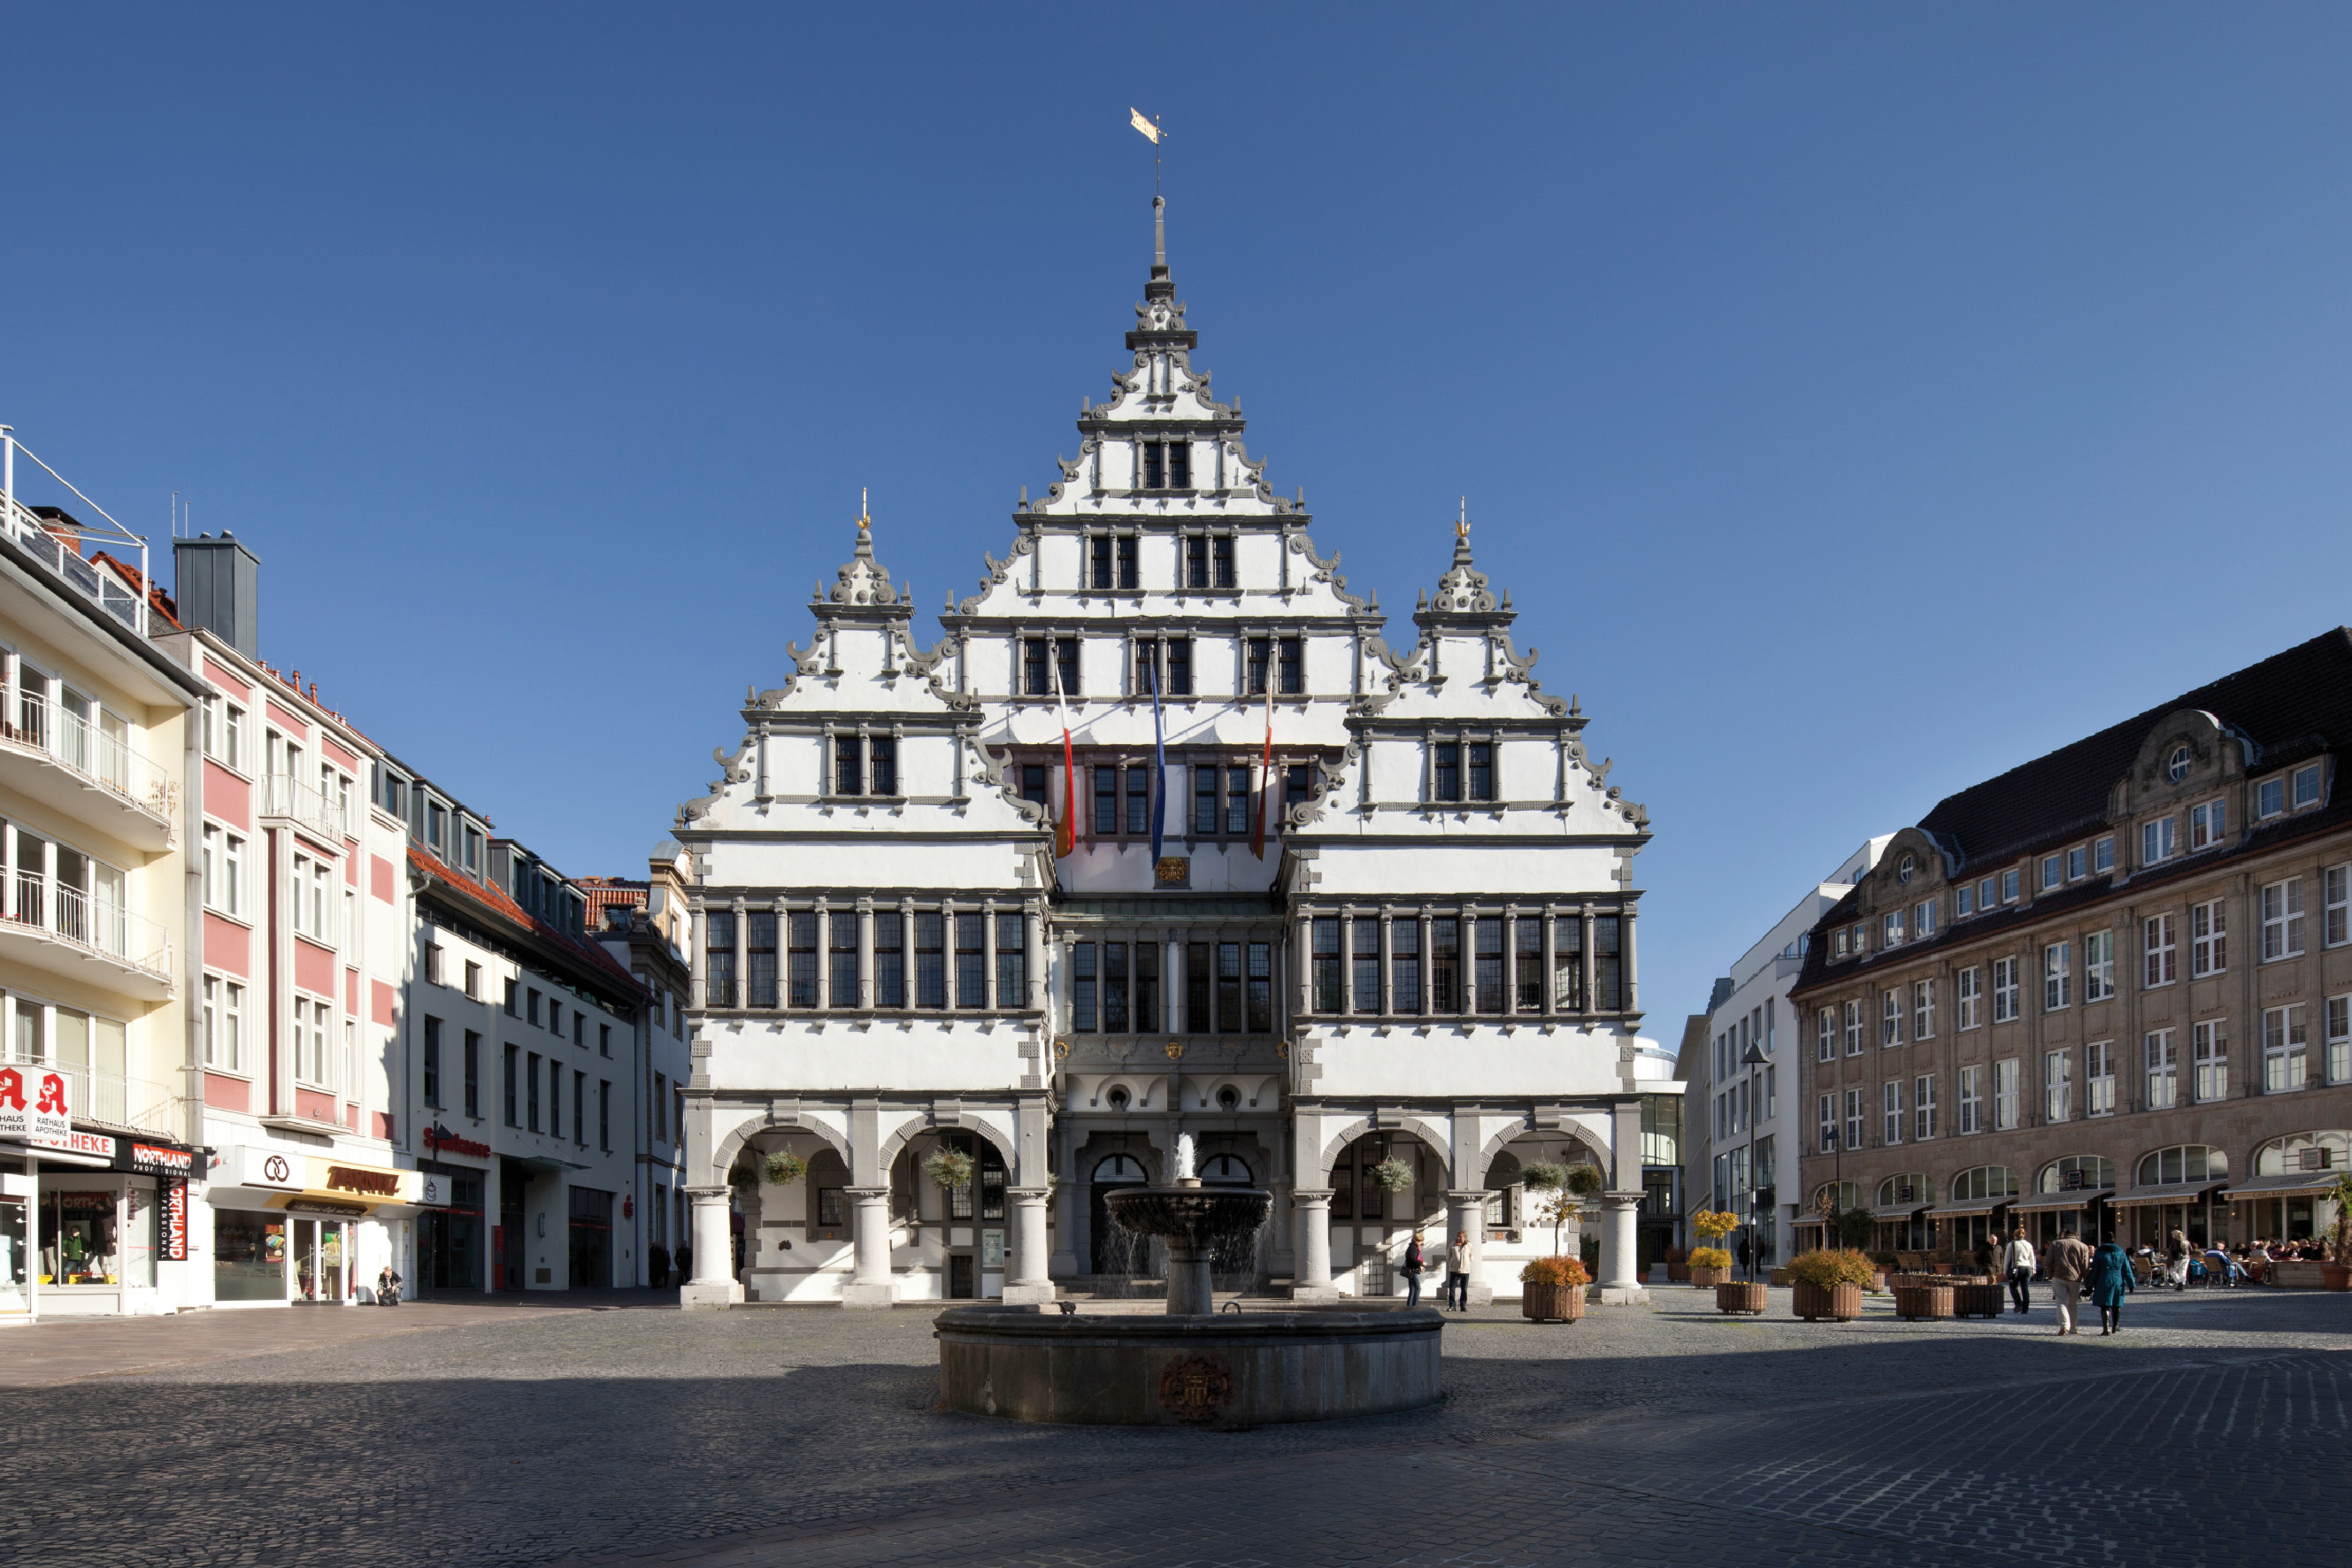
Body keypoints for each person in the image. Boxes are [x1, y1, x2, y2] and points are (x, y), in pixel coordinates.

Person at [2045, 1226, 2092, 1335]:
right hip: (2075, 1278)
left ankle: (2064, 1325)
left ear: (2065, 1234)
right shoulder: (2083, 1246)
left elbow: (2048, 1260)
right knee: (2073, 1304)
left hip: (2059, 1276)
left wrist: (2051, 1274)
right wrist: (2086, 1280)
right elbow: (2085, 1266)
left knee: (2061, 1302)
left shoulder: (2056, 1243)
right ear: (2076, 1236)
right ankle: (2073, 1328)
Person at [2089, 1237, 2136, 1334]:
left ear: (2102, 1242)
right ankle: (2115, 1326)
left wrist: (2089, 1284)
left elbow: (2094, 1270)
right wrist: (2131, 1284)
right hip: (2118, 1280)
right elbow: (2127, 1269)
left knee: (2104, 1305)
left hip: (2103, 1280)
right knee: (2116, 1304)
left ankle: (2105, 1329)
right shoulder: (2120, 1252)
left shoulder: (2099, 1252)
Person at [2001, 1227, 2037, 1314]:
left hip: (2016, 1268)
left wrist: (2005, 1270)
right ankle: (2025, 1309)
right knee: (2025, 1289)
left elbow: (2007, 1258)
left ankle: (2018, 1304)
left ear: (2015, 1235)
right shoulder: (2029, 1244)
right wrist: (2033, 1269)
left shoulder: (2011, 1244)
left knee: (2013, 1286)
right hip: (2027, 1267)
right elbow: (2032, 1258)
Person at [1446, 1230, 1472, 1312]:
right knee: (1452, 1288)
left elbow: (1471, 1256)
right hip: (1454, 1269)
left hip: (1465, 1270)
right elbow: (1448, 1256)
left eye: (1460, 1236)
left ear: (1464, 1237)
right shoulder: (1452, 1245)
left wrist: (1467, 1263)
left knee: (1464, 1289)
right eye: (1458, 1236)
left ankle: (1463, 1305)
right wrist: (1453, 1262)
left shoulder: (1469, 1245)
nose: (1458, 1238)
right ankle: (1452, 1305)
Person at [1401, 1229, 1426, 1308]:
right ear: (1417, 1241)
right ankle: (1414, 1305)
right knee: (1417, 1287)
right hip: (1413, 1271)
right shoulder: (1413, 1247)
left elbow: (1412, 1259)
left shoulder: (1411, 1247)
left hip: (1412, 1269)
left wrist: (1420, 1266)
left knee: (1412, 1289)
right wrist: (1421, 1263)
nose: (1421, 1243)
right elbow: (1412, 1259)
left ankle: (1410, 1306)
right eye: (1421, 1241)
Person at [2165, 1227, 2193, 1291]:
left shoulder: (2176, 1241)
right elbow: (2191, 1250)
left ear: (2175, 1235)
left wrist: (2170, 1253)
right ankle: (2182, 1284)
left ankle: (2179, 1283)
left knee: (2172, 1270)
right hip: (2186, 1257)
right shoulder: (2186, 1241)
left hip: (2177, 1257)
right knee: (2183, 1271)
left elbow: (2174, 1250)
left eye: (2172, 1234)